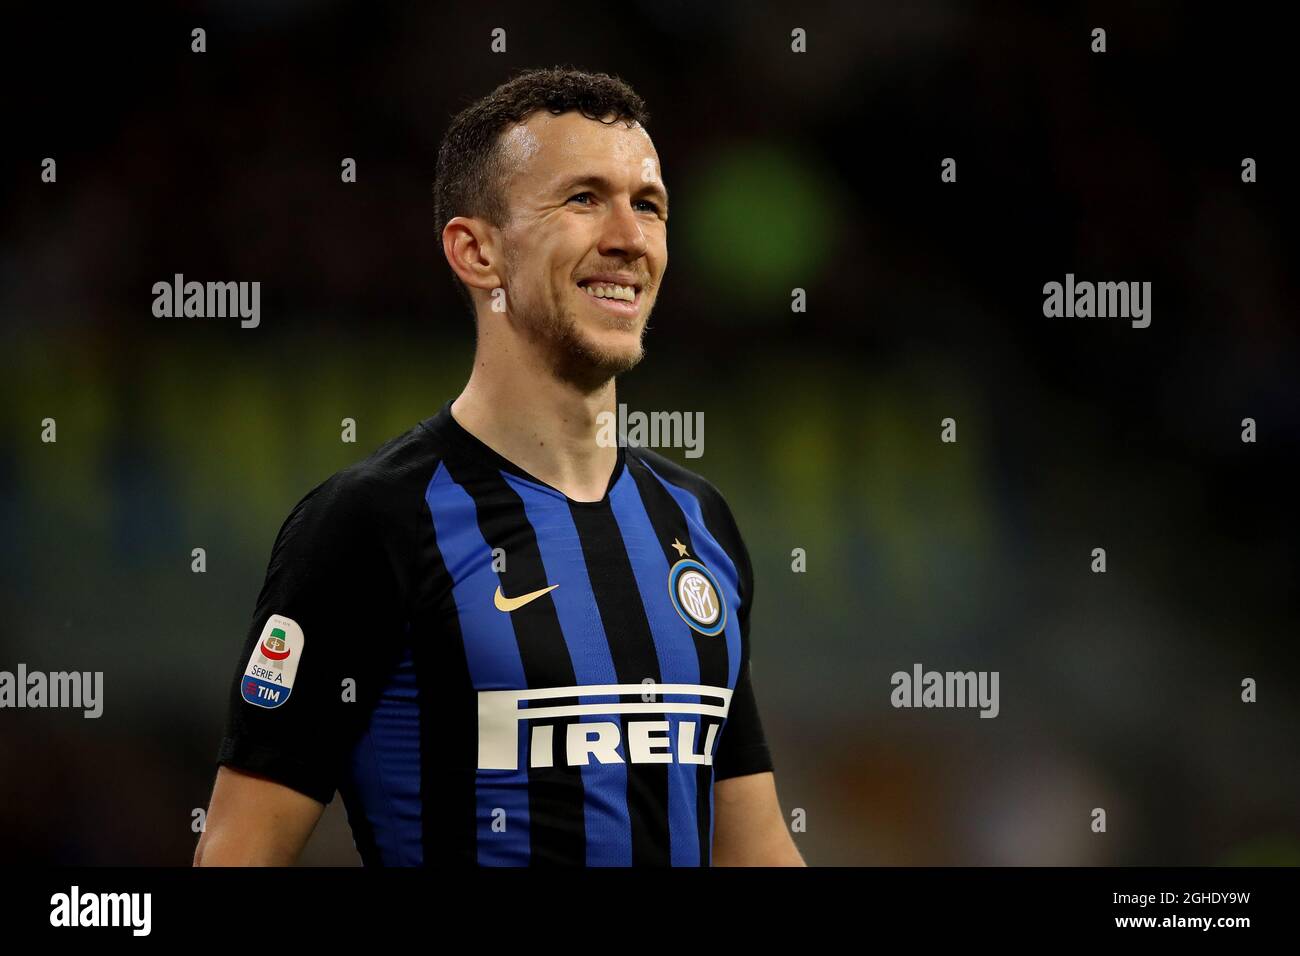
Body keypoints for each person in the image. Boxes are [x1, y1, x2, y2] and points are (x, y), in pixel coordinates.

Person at [195, 67, 804, 867]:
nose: (629, 237)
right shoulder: (370, 526)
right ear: (476, 251)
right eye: (584, 199)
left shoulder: (697, 524)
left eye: (647, 204)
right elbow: (239, 856)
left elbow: (753, 848)